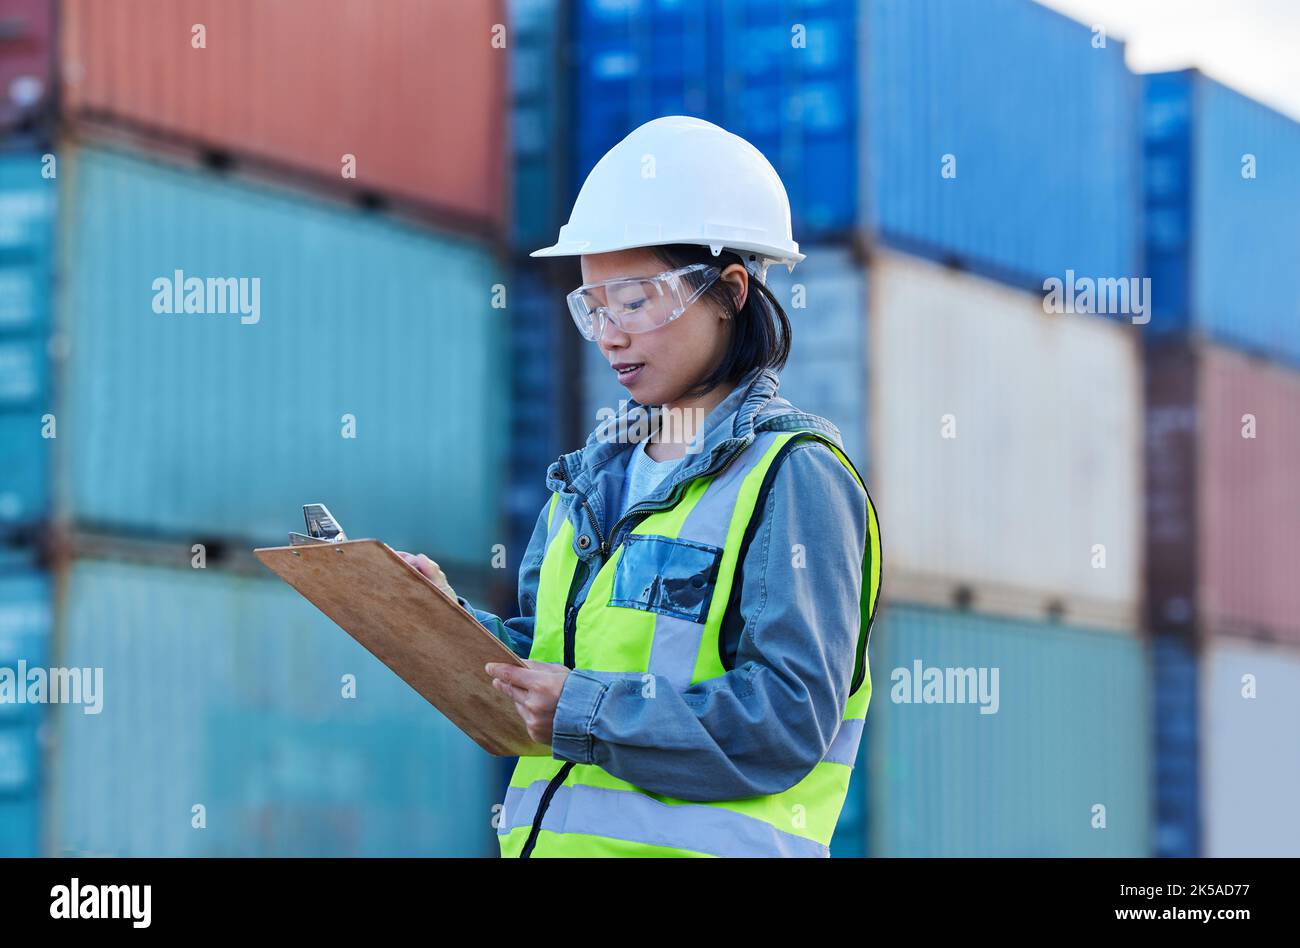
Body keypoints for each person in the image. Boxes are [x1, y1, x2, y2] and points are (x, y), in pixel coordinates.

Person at [398, 115, 881, 858]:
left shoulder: (795, 476)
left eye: (635, 300)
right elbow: (552, 672)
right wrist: (439, 625)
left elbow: (787, 722)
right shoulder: (588, 479)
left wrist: (584, 710)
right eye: (593, 306)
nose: (610, 334)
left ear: (728, 291)